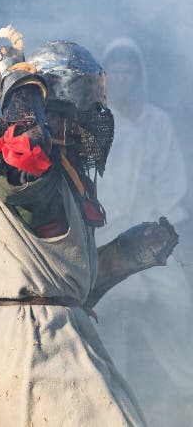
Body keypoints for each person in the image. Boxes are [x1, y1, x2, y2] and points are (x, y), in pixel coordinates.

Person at [0, 38, 178, 426]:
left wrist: (127, 254)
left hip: (41, 333)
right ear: (57, 112)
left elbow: (65, 287)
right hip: (27, 347)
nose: (96, 117)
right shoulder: (20, 166)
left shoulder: (64, 178)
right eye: (86, 107)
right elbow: (24, 154)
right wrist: (16, 81)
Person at [94, 37, 193, 427]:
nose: (122, 76)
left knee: (178, 310)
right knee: (103, 318)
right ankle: (107, 403)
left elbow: (171, 184)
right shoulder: (97, 123)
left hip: (153, 238)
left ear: (138, 74)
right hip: (108, 238)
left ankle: (186, 394)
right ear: (106, 76)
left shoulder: (158, 122)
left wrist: (163, 228)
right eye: (115, 68)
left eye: (129, 68)